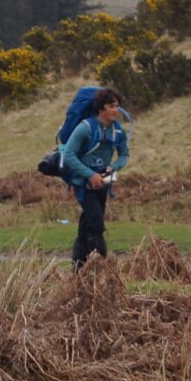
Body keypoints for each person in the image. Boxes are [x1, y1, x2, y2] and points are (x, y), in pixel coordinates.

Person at [63, 87, 130, 270]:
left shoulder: (118, 131)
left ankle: (78, 267)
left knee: (87, 223)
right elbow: (68, 155)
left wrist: (113, 167)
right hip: (83, 184)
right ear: (101, 108)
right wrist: (90, 175)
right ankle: (100, 266)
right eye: (111, 106)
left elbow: (125, 154)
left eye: (117, 106)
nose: (116, 110)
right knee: (96, 223)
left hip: (103, 183)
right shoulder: (85, 128)